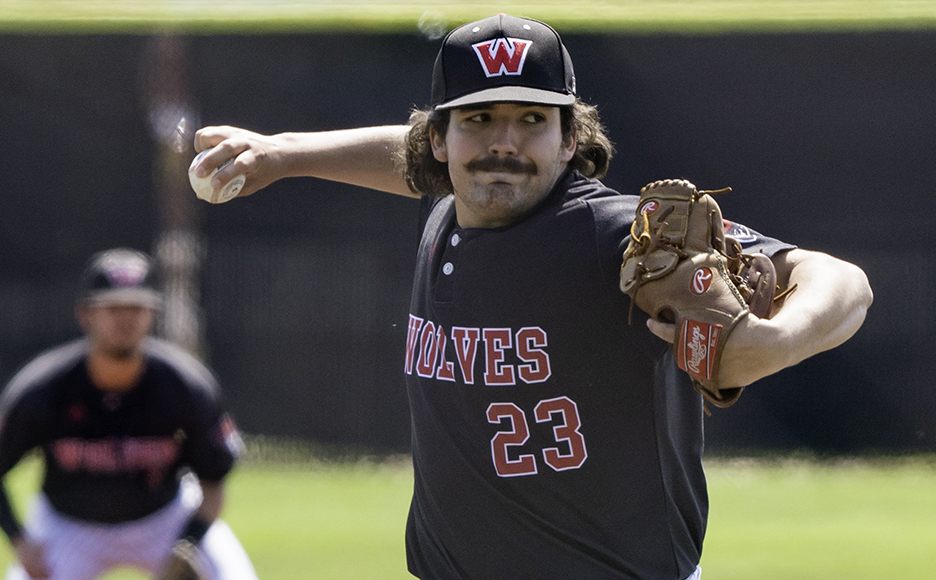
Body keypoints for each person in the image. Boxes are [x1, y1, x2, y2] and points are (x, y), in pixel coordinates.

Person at [192, 14, 873, 580]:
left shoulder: (613, 235)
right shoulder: (447, 205)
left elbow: (842, 280)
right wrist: (281, 153)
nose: (503, 144)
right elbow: (410, 162)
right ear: (439, 139)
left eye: (532, 120)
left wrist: (777, 343)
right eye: (479, 119)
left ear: (571, 137)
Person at [0, 248, 258, 580]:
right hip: (68, 526)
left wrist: (189, 543)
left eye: (137, 307)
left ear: (153, 314)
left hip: (163, 522)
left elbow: (213, 481)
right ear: (85, 314)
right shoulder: (43, 388)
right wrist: (20, 541)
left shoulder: (186, 386)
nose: (126, 318)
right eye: (113, 307)